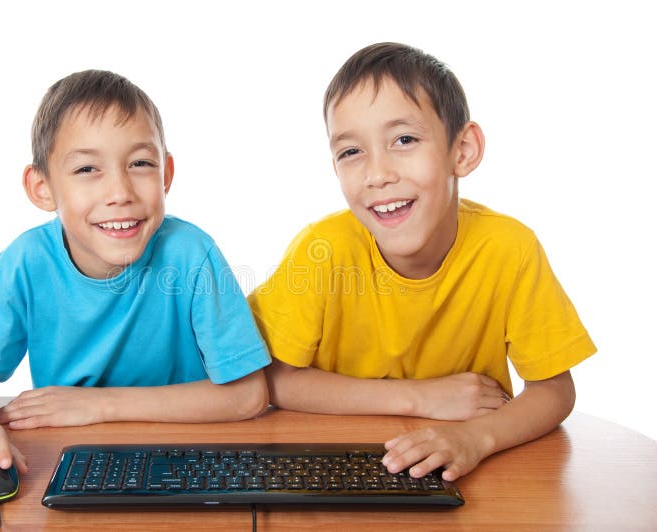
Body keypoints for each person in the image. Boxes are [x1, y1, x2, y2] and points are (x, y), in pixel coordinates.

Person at [247, 43, 596, 481]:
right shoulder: (323, 250)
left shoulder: (509, 248)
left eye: (404, 140)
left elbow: (554, 390)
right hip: (333, 460)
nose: (378, 174)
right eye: (351, 152)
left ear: (463, 150)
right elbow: (266, 378)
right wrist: (418, 398)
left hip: (462, 470)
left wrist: (476, 438)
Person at [0, 70, 271, 480]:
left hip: (186, 459)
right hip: (75, 459)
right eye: (86, 170)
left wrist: (97, 405)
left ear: (165, 175)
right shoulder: (23, 263)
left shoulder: (192, 254)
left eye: (140, 163)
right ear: (42, 187)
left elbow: (249, 395)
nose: (120, 192)